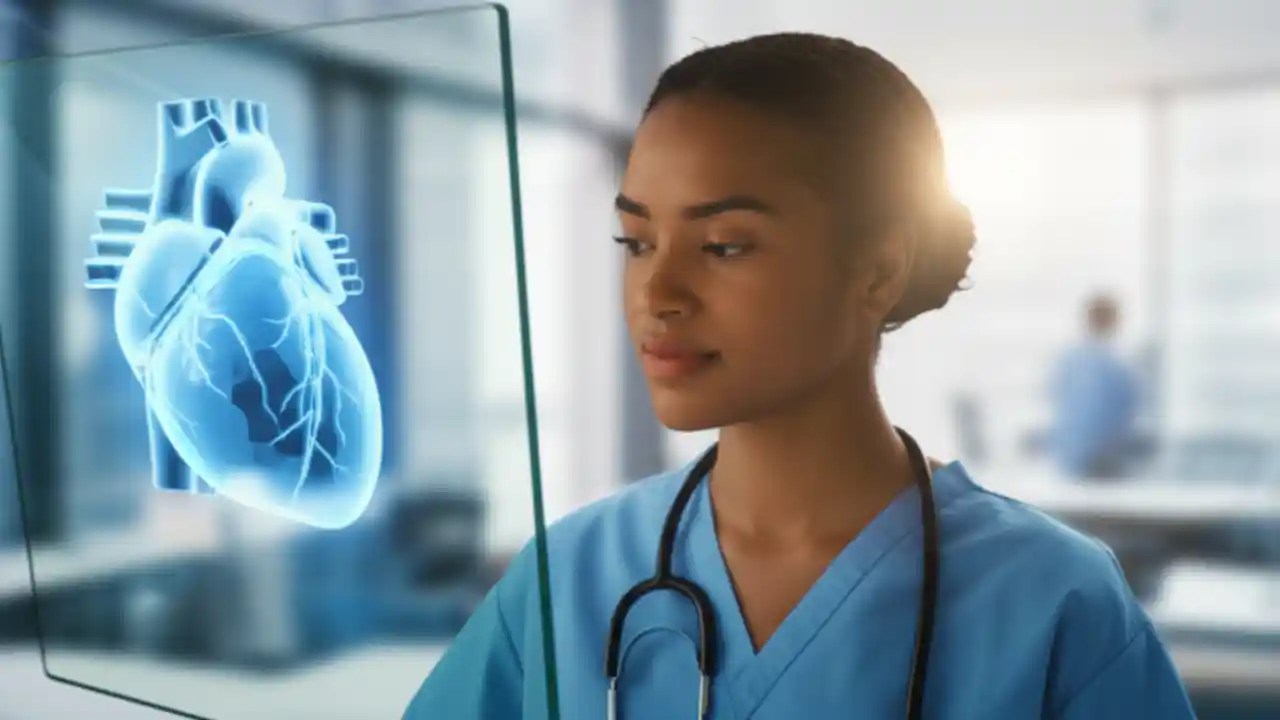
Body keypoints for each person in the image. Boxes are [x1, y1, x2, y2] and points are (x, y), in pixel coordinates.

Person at [403, 33, 1194, 718]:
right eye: (636, 242)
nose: (659, 294)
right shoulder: (566, 581)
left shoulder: (1054, 603)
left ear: (878, 268)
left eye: (725, 244)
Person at [1047, 293, 1141, 478]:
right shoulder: (1117, 365)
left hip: (1071, 457)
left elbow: (1057, 399)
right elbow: (1126, 413)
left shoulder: (1069, 359)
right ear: (1113, 321)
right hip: (1102, 459)